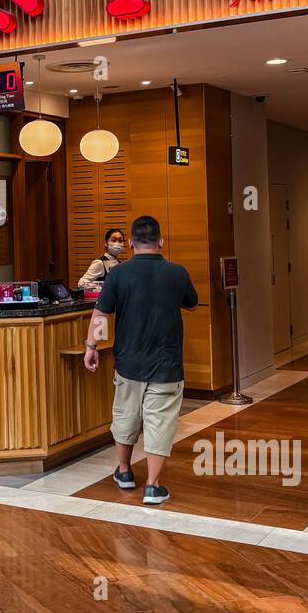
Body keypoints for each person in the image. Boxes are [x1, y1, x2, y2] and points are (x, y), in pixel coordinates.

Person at [83, 214, 197, 506]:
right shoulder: (177, 272)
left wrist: (91, 345)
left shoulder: (118, 275)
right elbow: (192, 303)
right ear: (160, 241)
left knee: (126, 415)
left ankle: (124, 472)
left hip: (128, 361)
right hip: (167, 363)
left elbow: (101, 314)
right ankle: (153, 486)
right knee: (160, 422)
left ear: (131, 243)